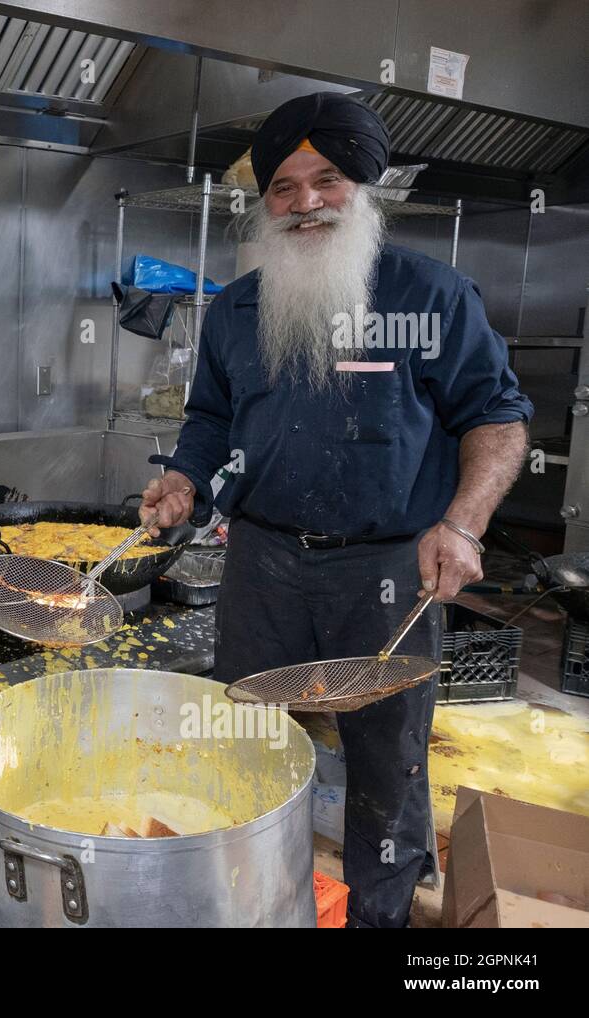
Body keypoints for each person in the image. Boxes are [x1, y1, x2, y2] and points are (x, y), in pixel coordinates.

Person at [140, 92, 532, 928]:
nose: (304, 202)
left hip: (388, 571)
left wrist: (462, 525)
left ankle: (378, 918)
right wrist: (185, 479)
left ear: (365, 187)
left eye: (326, 180)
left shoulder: (432, 298)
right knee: (246, 736)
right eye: (282, 187)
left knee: (386, 761)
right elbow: (211, 420)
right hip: (263, 565)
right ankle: (243, 902)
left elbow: (497, 420)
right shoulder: (238, 310)